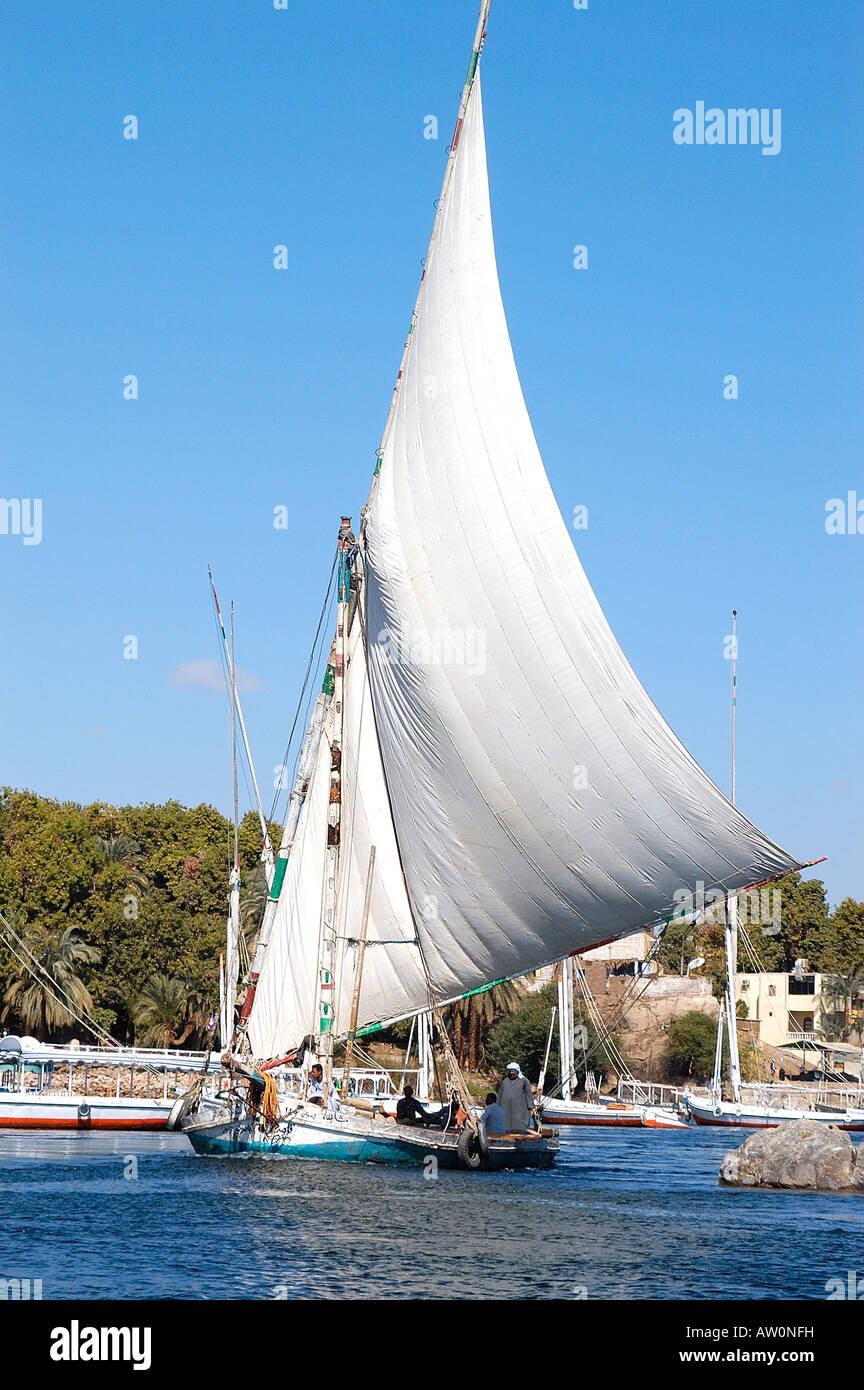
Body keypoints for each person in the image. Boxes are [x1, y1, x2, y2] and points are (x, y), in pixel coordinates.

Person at [497, 1061, 534, 1133]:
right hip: (505, 1108)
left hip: (519, 1109)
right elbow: (500, 1094)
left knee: (518, 1123)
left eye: (513, 1071)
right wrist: (497, 1106)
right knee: (505, 1122)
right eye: (510, 1071)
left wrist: (531, 1107)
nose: (511, 1073)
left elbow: (528, 1095)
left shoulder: (524, 1081)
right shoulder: (505, 1081)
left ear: (517, 1071)